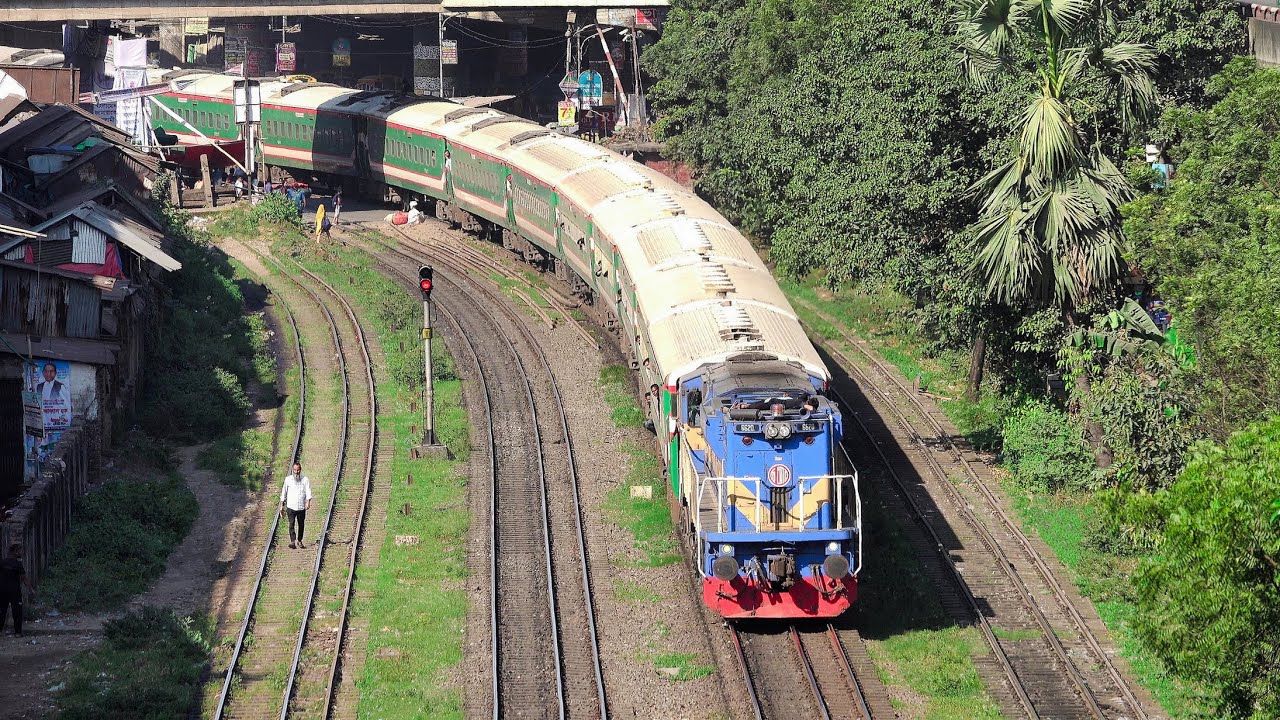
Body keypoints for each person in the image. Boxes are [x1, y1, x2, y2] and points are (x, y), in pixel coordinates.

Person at [280, 463, 313, 549]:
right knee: (291, 524)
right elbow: (284, 492)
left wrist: (308, 501)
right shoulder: (288, 480)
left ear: (300, 470)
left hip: (301, 507)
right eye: (294, 470)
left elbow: (308, 491)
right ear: (292, 470)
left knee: (301, 524)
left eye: (298, 470)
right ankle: (292, 541)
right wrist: (281, 505)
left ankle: (299, 540)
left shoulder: (305, 480)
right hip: (291, 506)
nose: (296, 472)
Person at [1, 543, 31, 637]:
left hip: (2, 591)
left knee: (2, 611)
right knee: (17, 612)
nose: (22, 552)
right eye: (21, 550)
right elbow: (24, 578)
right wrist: (31, 589)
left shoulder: (2, 562)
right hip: (15, 591)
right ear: (16, 551)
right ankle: (18, 632)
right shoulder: (18, 564)